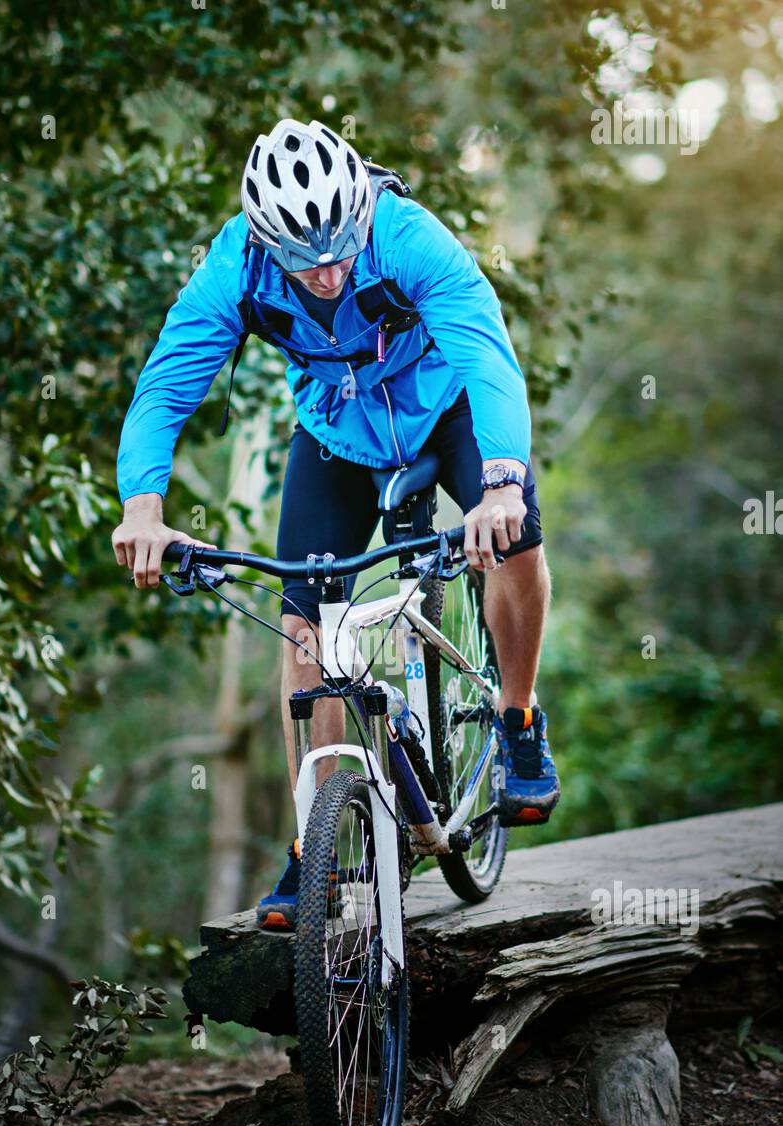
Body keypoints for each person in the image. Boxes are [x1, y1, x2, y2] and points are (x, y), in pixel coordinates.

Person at [112, 118, 560, 930]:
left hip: (445, 414)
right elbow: (166, 384)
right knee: (305, 624)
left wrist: (499, 485)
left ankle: (518, 718)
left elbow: (488, 359)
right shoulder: (236, 267)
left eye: (338, 251)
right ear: (263, 239)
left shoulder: (410, 239)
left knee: (515, 534)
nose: (324, 273)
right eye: (301, 259)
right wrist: (142, 505)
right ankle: (311, 842)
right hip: (337, 439)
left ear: (361, 212)